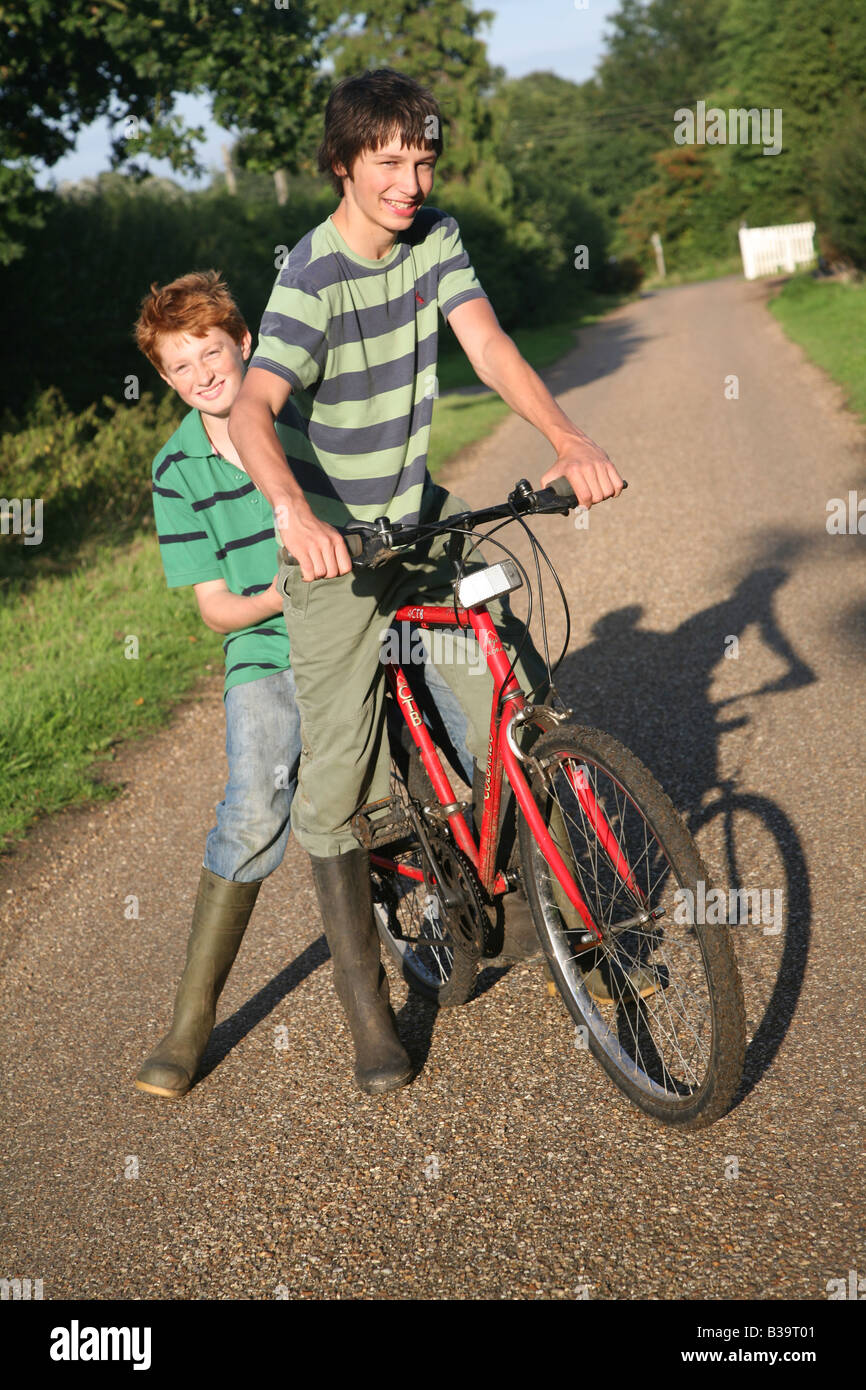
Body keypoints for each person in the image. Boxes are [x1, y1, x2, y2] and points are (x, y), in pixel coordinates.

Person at [228, 69, 624, 1097]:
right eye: (389, 163)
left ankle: (519, 873)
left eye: (425, 161)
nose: (411, 182)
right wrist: (296, 517)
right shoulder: (311, 276)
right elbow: (252, 408)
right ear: (342, 164)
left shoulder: (434, 238)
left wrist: (566, 436)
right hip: (333, 549)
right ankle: (368, 1011)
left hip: (416, 517)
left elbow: (487, 344)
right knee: (337, 784)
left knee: (507, 679)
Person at [130, 269, 472, 1100]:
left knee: (469, 733)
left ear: (245, 343)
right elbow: (217, 609)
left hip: (363, 613)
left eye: (213, 350)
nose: (204, 373)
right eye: (183, 365)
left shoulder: (301, 411)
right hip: (268, 648)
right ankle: (189, 1023)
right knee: (253, 805)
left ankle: (557, 930)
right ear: (167, 379)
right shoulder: (176, 468)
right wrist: (284, 594)